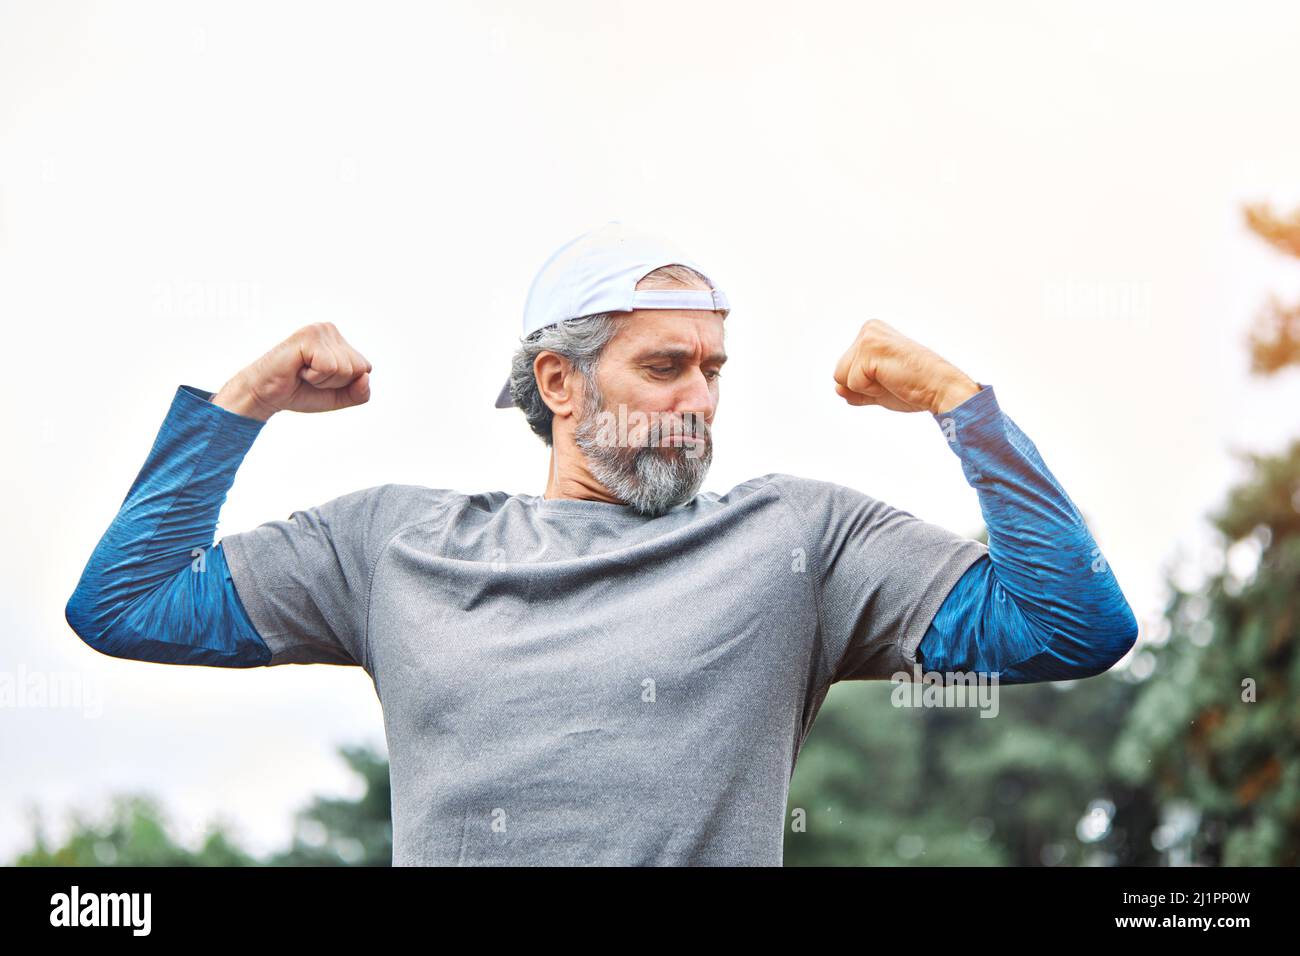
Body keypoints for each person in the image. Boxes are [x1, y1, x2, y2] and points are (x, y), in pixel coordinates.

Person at [65, 221, 1139, 865]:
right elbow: (128, 601)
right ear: (558, 380)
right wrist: (245, 399)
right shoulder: (395, 543)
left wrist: (959, 403)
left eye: (714, 369)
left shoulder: (794, 541)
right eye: (664, 366)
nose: (699, 399)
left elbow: (1073, 622)